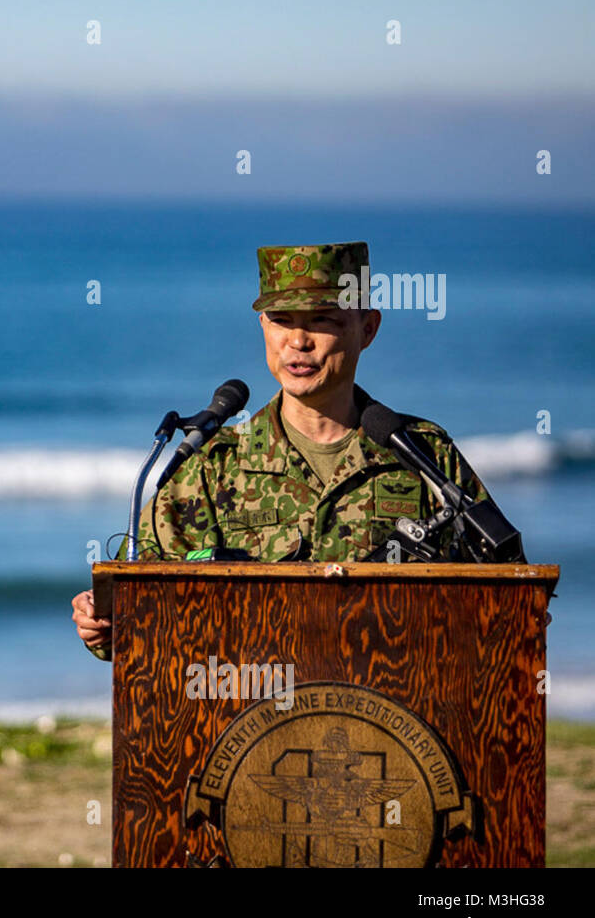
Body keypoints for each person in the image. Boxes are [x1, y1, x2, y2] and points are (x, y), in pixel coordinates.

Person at [72, 241, 518, 661]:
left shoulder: (421, 454)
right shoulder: (217, 467)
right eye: (282, 320)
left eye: (323, 320)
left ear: (367, 328)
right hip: (253, 719)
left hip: (394, 715)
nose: (298, 341)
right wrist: (101, 622)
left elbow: (509, 589)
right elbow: (134, 602)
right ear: (263, 327)